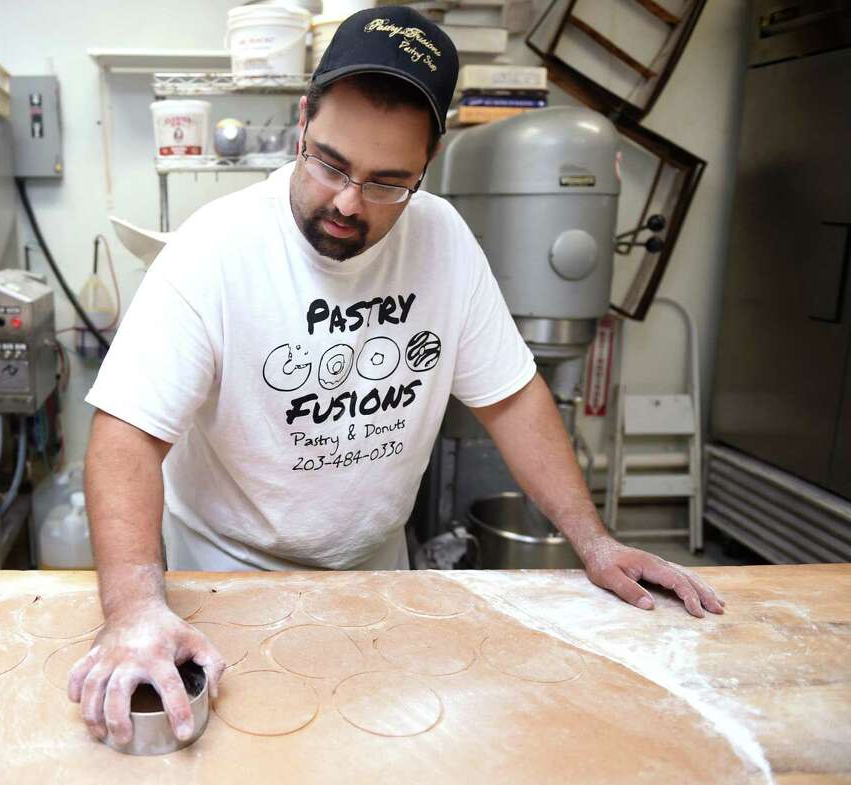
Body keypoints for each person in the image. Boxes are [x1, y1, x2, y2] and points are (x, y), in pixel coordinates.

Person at [69, 5, 725, 747]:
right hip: (228, 576)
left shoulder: (444, 240)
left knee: (382, 752)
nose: (348, 202)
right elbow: (126, 436)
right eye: (329, 164)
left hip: (375, 571)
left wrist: (595, 543)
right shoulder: (215, 249)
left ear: (428, 162)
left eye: (388, 182)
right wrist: (133, 610)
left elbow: (513, 399)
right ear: (303, 120)